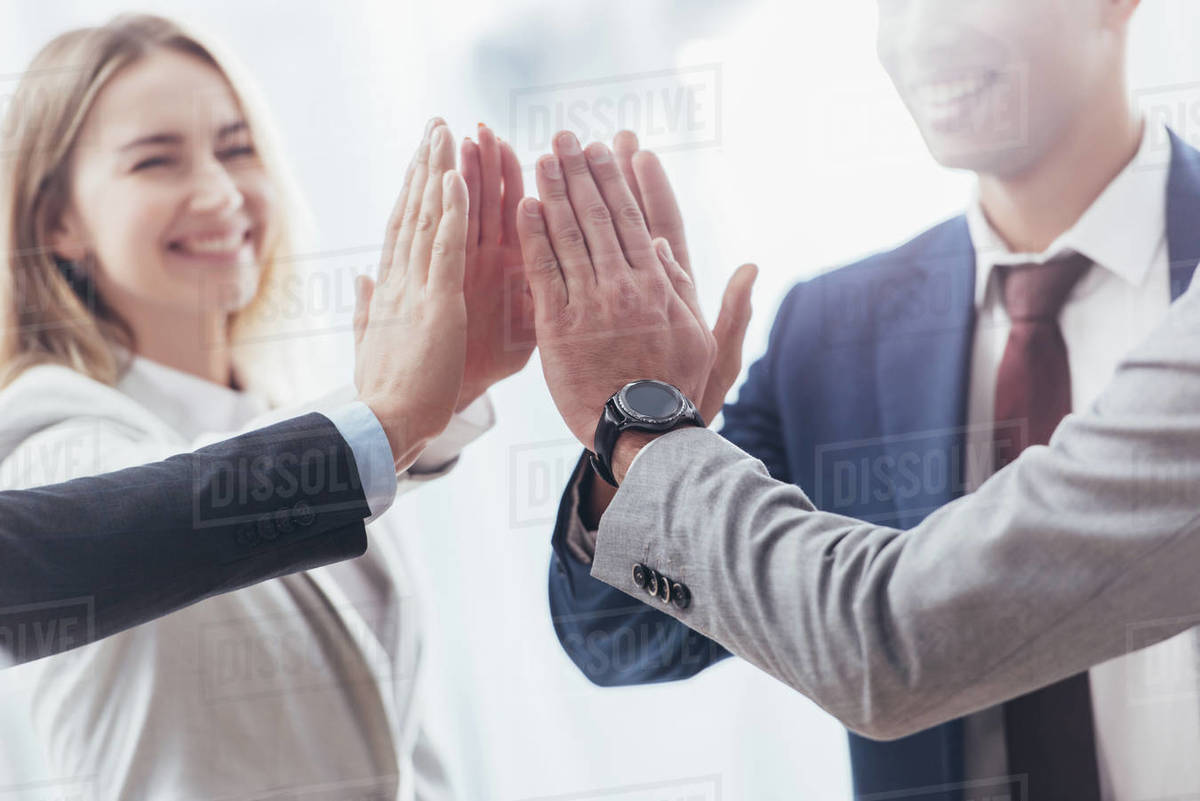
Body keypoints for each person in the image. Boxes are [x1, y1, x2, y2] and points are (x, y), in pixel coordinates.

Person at [539, 0, 1200, 797]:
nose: (923, 35)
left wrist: (649, 439)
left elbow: (887, 642)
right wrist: (645, 443)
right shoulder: (834, 333)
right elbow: (619, 640)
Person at [0, 14, 527, 800]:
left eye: (237, 148)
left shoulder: (269, 412)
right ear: (57, 224)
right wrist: (390, 414)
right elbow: (170, 509)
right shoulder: (53, 433)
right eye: (156, 161)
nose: (219, 191)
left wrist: (432, 402)